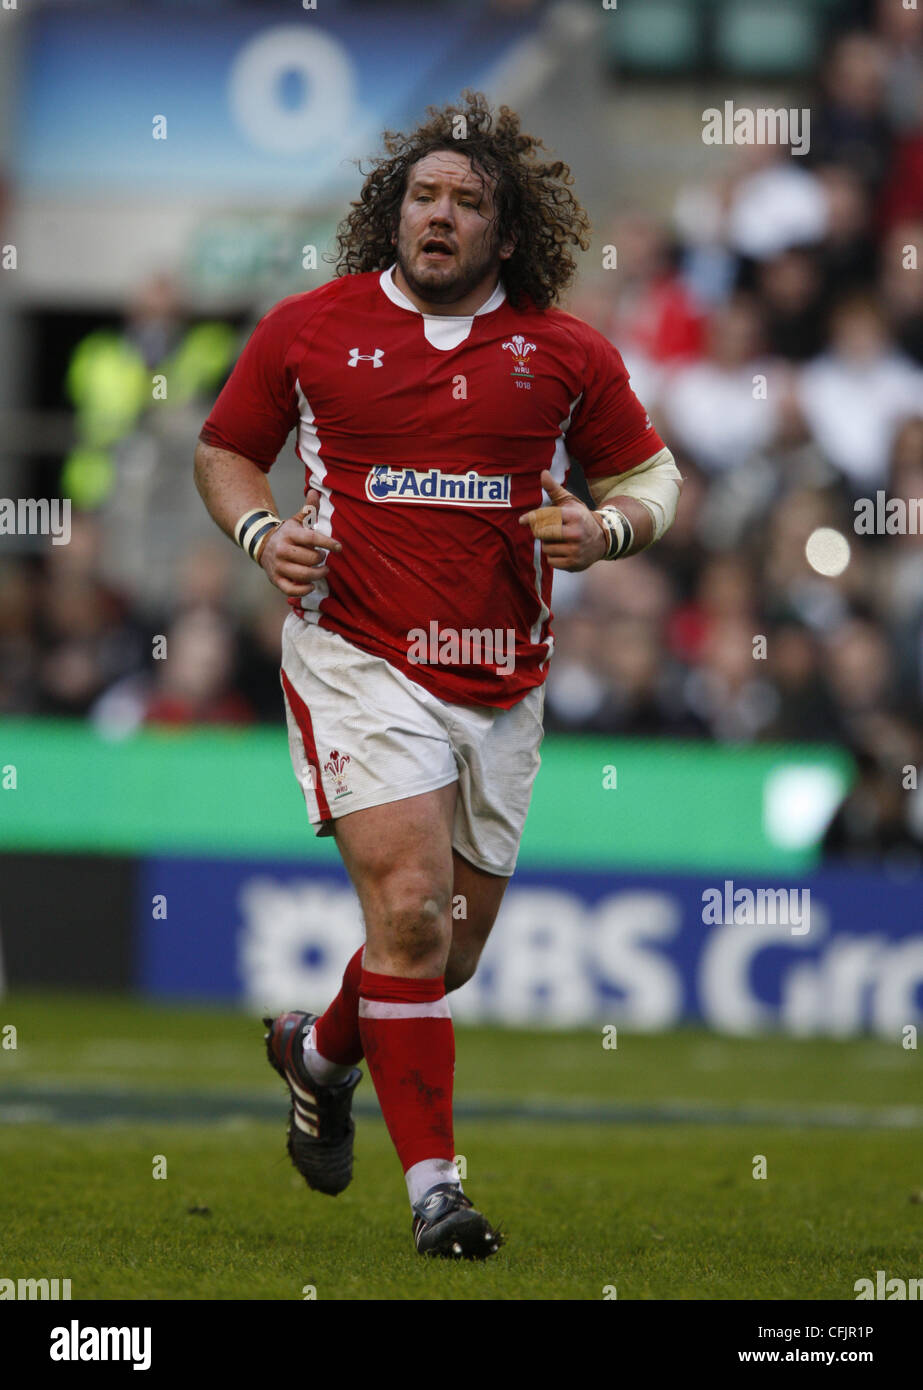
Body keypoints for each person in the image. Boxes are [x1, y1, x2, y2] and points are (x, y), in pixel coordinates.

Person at [194, 92, 682, 1259]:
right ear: (392, 212)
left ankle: (317, 1054)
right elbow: (223, 450)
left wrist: (604, 532)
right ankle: (436, 1195)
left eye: (467, 202)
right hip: (356, 653)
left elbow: (654, 479)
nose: (440, 216)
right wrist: (264, 536)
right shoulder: (311, 330)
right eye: (423, 196)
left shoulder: (564, 354)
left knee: (446, 948)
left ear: (505, 234)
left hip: (501, 681)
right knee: (409, 909)